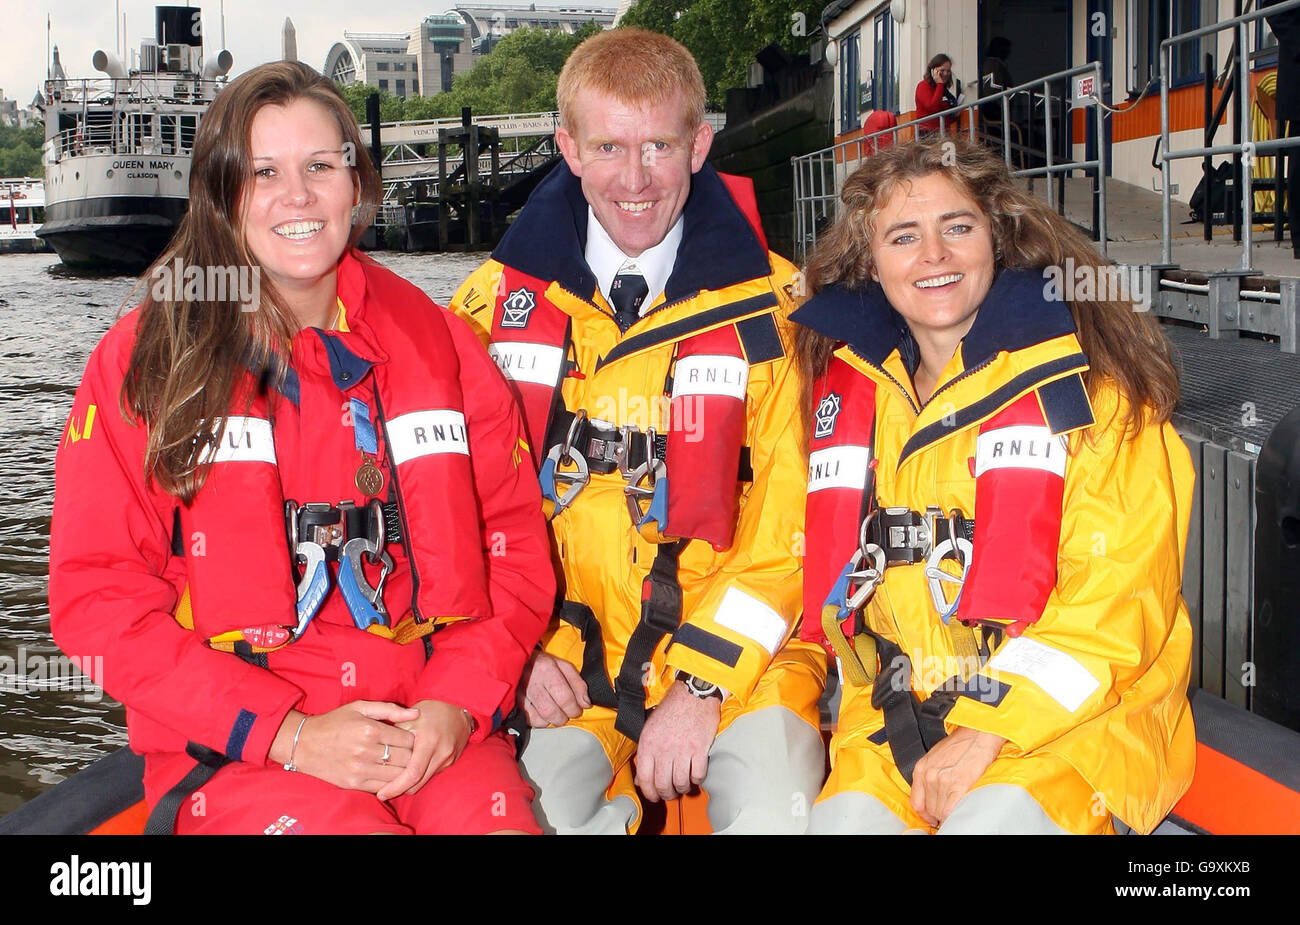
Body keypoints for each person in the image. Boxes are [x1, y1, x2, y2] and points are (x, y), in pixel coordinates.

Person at [47, 61, 555, 834]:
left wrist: (454, 705)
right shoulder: (144, 364)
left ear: (358, 183)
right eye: (264, 173)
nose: (298, 196)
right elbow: (96, 600)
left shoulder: (447, 348)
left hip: (430, 727)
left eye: (321, 166)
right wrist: (291, 736)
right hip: (239, 748)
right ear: (222, 197)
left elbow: (514, 553)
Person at [448, 27, 827, 834]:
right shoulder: (483, 309)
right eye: (609, 146)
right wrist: (509, 651)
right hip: (559, 661)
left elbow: (796, 529)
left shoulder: (783, 315)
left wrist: (703, 683)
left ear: (699, 145)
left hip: (743, 666)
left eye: (658, 145)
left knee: (776, 817)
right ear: (568, 148)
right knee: (510, 816)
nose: (635, 178)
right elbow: (449, 513)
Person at [790, 135, 1196, 834]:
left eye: (958, 227)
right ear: (869, 261)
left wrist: (989, 730)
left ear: (997, 239)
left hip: (1071, 730)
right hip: (894, 726)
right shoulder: (849, 400)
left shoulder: (1095, 393)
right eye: (903, 236)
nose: (934, 256)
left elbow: (1116, 605)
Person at [915, 53, 961, 135]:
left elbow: (946, 116)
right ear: (933, 71)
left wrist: (956, 114)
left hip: (944, 133)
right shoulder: (923, 86)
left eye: (948, 71)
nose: (946, 74)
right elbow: (933, 108)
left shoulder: (944, 90)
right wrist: (940, 84)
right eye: (942, 70)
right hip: (927, 134)